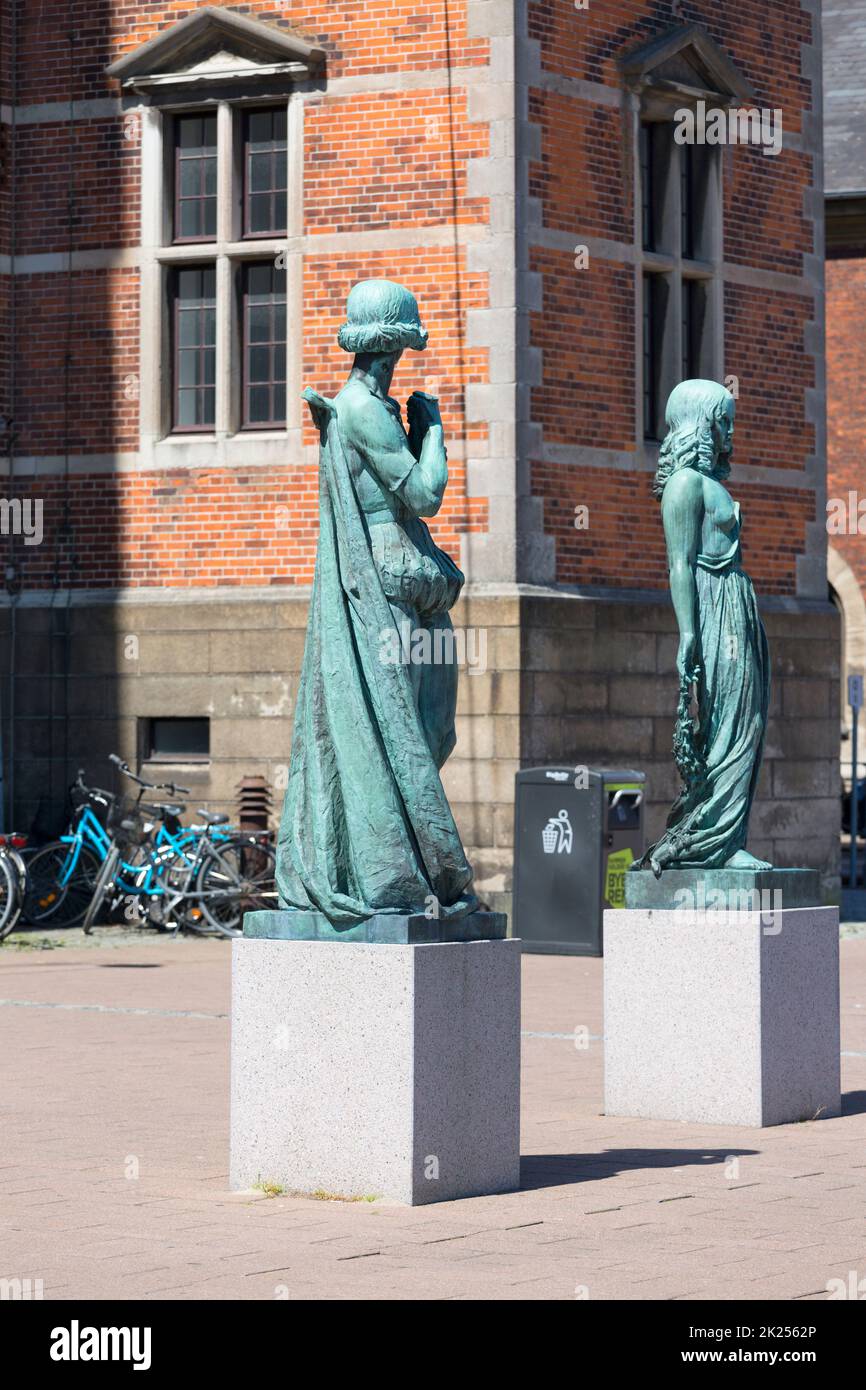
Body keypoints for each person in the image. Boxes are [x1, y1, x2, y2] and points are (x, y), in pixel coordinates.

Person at [276, 279, 478, 923]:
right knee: (398, 734)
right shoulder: (362, 410)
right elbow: (424, 494)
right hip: (389, 591)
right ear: (391, 341)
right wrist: (437, 431)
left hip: (421, 588)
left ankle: (405, 852)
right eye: (405, 340)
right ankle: (393, 873)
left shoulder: (378, 408)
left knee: (432, 733)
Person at [634, 379, 771, 876]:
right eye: (723, 420)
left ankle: (728, 835)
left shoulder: (714, 483)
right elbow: (679, 565)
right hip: (713, 610)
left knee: (747, 720)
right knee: (726, 723)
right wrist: (688, 633)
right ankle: (714, 840)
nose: (730, 432)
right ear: (700, 423)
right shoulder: (685, 485)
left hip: (739, 607)